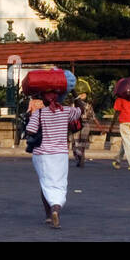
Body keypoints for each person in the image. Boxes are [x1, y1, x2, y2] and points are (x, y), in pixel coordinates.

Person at [26, 89, 81, 229]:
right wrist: (74, 92)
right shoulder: (67, 111)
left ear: (43, 100)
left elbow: (30, 131)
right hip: (60, 155)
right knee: (59, 184)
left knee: (45, 184)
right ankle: (56, 209)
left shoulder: (38, 113)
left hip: (42, 155)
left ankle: (49, 216)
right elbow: (81, 109)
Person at [111, 80, 130, 171]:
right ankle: (118, 160)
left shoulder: (119, 99)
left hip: (124, 121)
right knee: (125, 141)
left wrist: (111, 125)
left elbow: (116, 112)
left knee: (127, 142)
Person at [70, 88, 96, 167]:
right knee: (82, 143)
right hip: (86, 125)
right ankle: (81, 157)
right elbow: (92, 117)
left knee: (76, 143)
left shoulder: (73, 105)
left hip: (76, 125)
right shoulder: (88, 106)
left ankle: (78, 157)